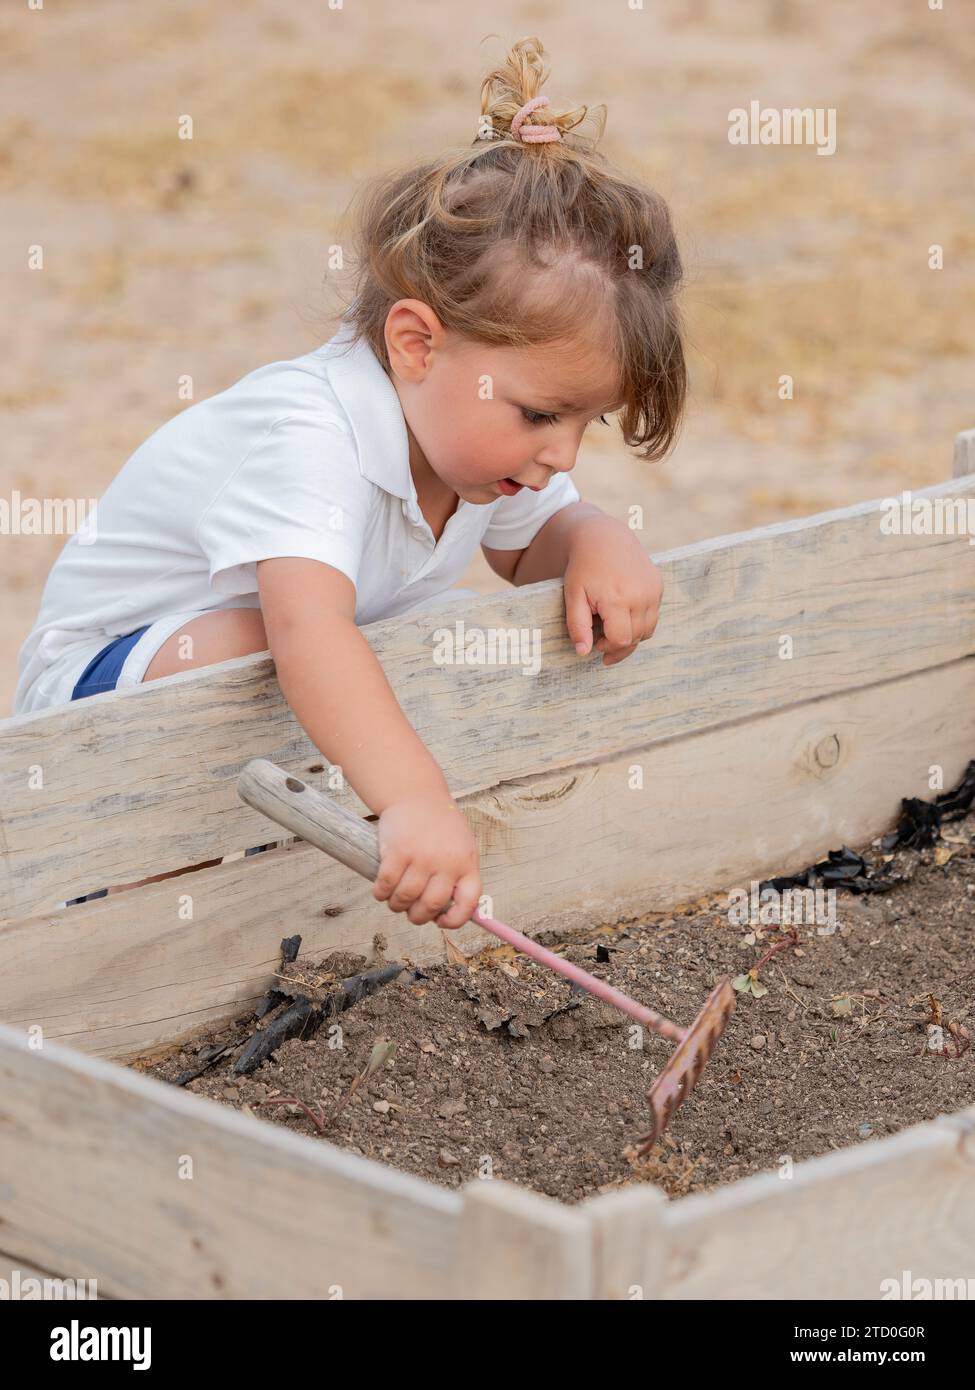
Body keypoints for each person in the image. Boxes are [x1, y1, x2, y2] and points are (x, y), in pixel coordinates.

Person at [14, 35, 686, 927]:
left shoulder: (476, 452)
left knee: (424, 644)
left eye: (584, 423)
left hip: (251, 705)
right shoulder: (311, 433)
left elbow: (537, 548)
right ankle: (127, 882)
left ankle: (246, 862)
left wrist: (599, 541)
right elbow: (307, 631)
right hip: (98, 695)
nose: (562, 454)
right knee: (274, 643)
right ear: (416, 345)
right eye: (538, 415)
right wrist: (412, 798)